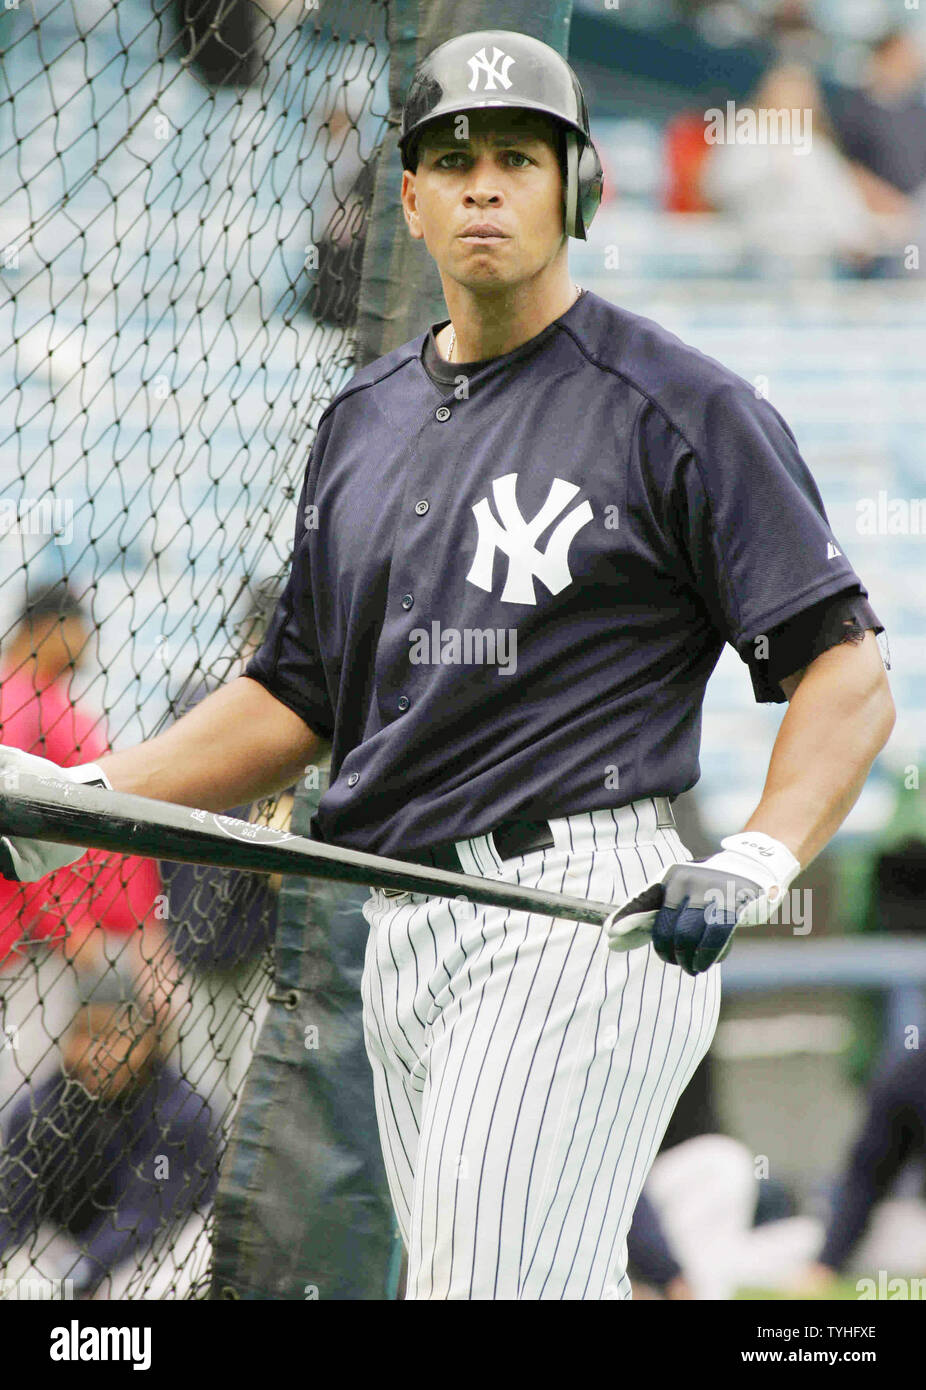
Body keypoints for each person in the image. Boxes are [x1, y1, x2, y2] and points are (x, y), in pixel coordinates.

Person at [0, 30, 895, 1300]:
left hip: (576, 919)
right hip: (405, 925)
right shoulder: (359, 422)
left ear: (577, 189)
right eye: (453, 157)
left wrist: (753, 855)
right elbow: (294, 696)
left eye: (520, 157)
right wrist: (83, 807)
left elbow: (844, 671)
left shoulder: (676, 403)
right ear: (408, 198)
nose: (484, 183)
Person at [0, 583, 165, 1112]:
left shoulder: (51, 699)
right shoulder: (18, 700)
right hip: (33, 945)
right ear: (44, 628)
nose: (87, 640)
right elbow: (22, 825)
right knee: (22, 1099)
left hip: (69, 944)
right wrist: (66, 921)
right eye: (77, 625)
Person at [0, 959, 219, 1298]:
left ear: (149, 1041)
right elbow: (12, 1210)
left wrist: (75, 1275)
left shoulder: (182, 1113)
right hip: (73, 1252)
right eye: (85, 1034)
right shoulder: (38, 1110)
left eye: (114, 1035)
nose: (95, 1054)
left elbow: (142, 1217)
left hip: (161, 1252)